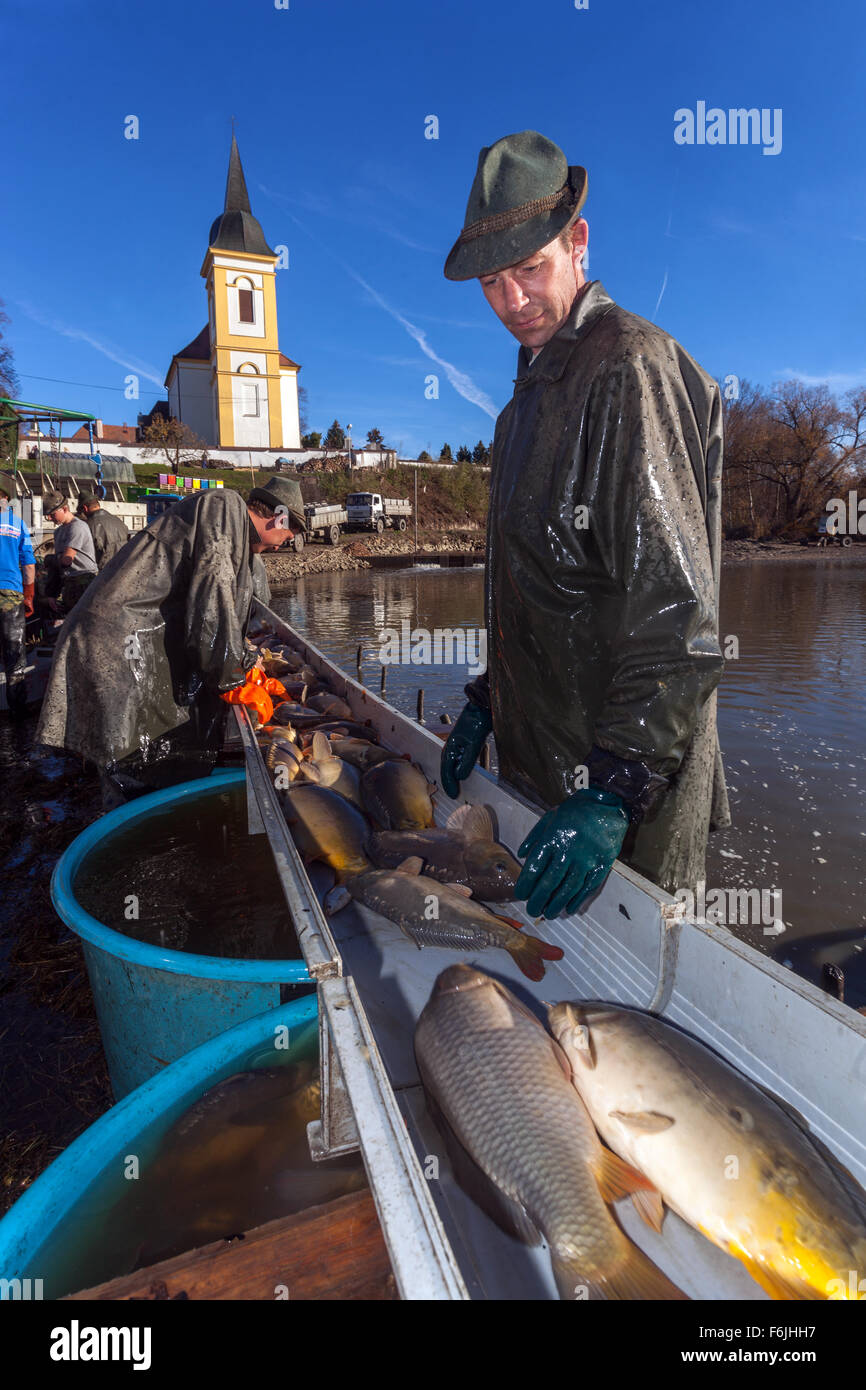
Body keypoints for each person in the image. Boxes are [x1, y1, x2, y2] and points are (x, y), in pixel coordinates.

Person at [440, 130, 729, 917]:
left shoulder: (629, 366)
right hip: (543, 764)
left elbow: (675, 612)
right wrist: (490, 696)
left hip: (620, 798)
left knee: (630, 1010)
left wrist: (619, 784)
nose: (512, 301)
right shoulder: (517, 412)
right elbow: (546, 585)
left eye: (528, 269)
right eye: (492, 283)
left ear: (577, 242)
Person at [37, 476, 305, 804]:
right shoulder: (223, 507)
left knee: (136, 753)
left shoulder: (228, 524)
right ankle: (134, 833)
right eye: (287, 535)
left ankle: (137, 818)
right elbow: (212, 598)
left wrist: (242, 661)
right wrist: (231, 678)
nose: (282, 545)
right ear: (278, 518)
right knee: (131, 757)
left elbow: (212, 609)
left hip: (125, 636)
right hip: (117, 640)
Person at [0, 472, 36, 719]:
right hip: (11, 592)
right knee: (15, 654)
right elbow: (29, 565)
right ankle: (17, 714)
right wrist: (30, 595)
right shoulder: (17, 523)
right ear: (6, 498)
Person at [43, 490, 98, 615]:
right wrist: (52, 594)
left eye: (52, 514)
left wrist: (51, 559)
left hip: (84, 582)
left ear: (65, 509)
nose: (49, 518)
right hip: (69, 582)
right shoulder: (58, 532)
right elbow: (59, 567)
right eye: (47, 515)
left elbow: (66, 561)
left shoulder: (77, 527)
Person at [76, 488, 130, 570]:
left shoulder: (87, 525)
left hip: (104, 573)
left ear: (85, 508)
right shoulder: (118, 521)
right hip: (123, 568)